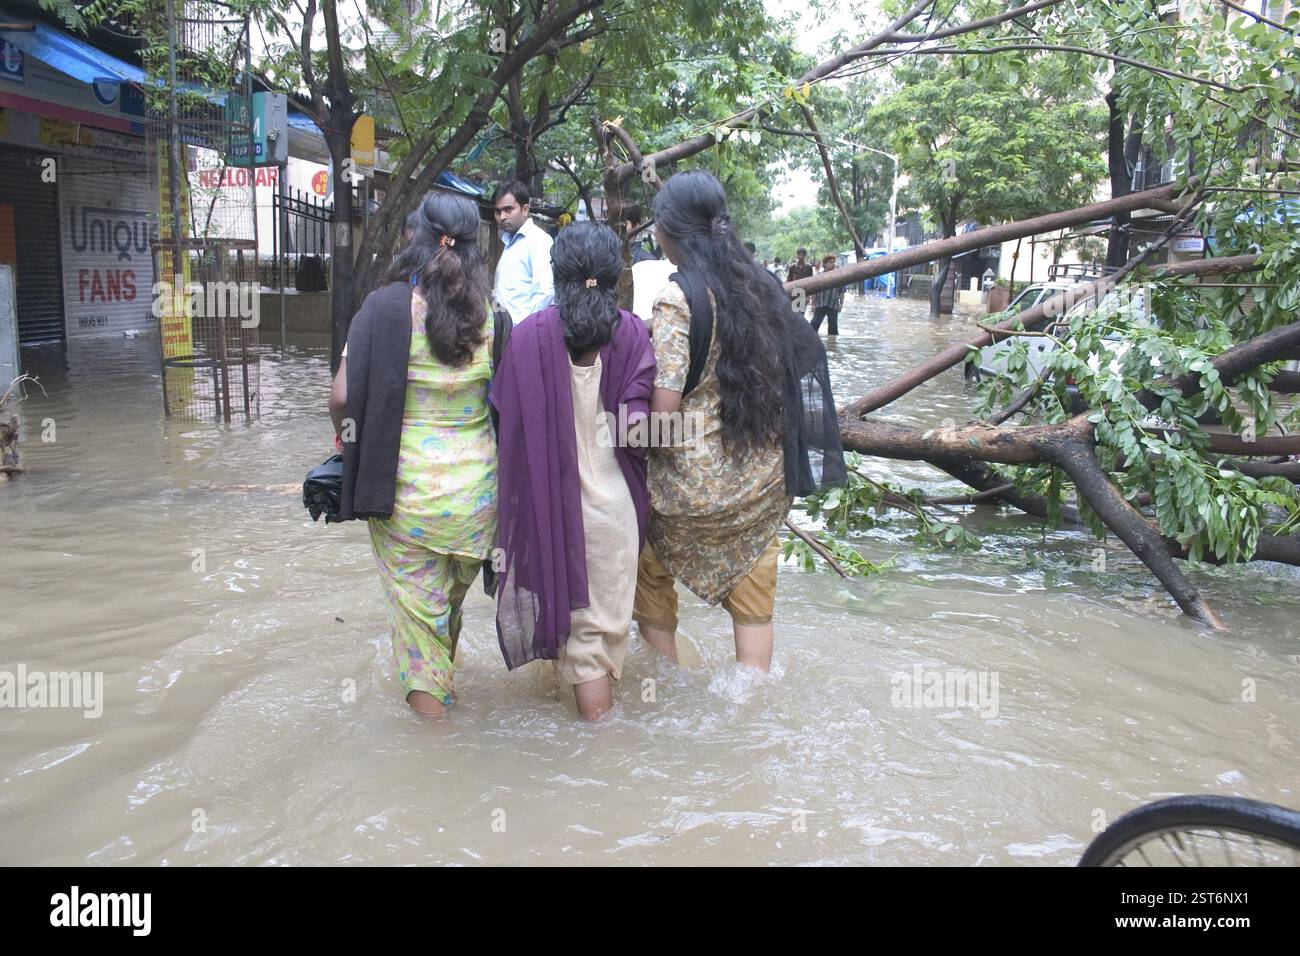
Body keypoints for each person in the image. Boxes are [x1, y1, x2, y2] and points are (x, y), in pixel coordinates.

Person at [633, 170, 845, 672]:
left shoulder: (676, 298)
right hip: (760, 483)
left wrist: (617, 432)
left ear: (670, 233)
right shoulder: (765, 287)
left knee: (651, 568)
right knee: (754, 605)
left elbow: (663, 419)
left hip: (690, 495)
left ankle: (668, 690)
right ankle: (752, 711)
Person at [330, 192, 497, 717]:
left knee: (419, 630)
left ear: (414, 239)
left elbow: (339, 398)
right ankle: (445, 691)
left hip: (406, 501)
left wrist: (345, 440)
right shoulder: (497, 317)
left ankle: (439, 758)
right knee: (445, 609)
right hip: (478, 505)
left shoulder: (382, 309)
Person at [490, 222, 656, 720]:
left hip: (550, 514)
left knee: (580, 640)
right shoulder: (631, 333)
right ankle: (604, 758)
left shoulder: (525, 338)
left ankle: (599, 755)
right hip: (616, 518)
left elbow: (502, 420)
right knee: (602, 635)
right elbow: (639, 432)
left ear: (557, 274)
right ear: (612, 275)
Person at [492, 180, 554, 324]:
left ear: (525, 209)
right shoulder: (509, 241)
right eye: (498, 211)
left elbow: (546, 293)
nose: (502, 217)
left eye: (508, 210)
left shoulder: (538, 240)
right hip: (504, 333)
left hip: (522, 335)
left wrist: (523, 330)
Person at [810, 255, 845, 337]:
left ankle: (832, 346)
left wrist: (841, 304)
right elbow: (814, 291)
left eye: (834, 262)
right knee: (813, 326)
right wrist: (813, 304)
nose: (833, 264)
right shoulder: (819, 276)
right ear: (825, 264)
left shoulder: (838, 276)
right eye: (830, 262)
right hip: (820, 304)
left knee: (833, 330)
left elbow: (841, 292)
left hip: (833, 305)